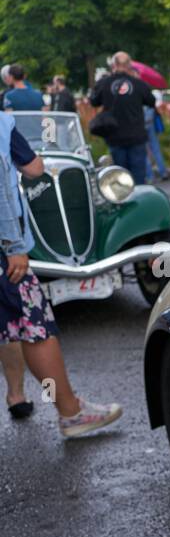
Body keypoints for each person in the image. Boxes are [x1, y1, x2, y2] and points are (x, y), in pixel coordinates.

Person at [0, 109, 122, 435]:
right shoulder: (3, 124)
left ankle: (21, 395)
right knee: (34, 328)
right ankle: (68, 410)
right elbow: (17, 176)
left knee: (13, 326)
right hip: (4, 251)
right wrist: (13, 244)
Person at [88, 52, 154, 183]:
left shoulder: (105, 83)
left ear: (114, 65)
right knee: (139, 178)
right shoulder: (139, 84)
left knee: (120, 178)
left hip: (115, 136)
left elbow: (94, 101)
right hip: (136, 137)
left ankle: (123, 202)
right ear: (129, 65)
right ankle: (139, 201)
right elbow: (151, 101)